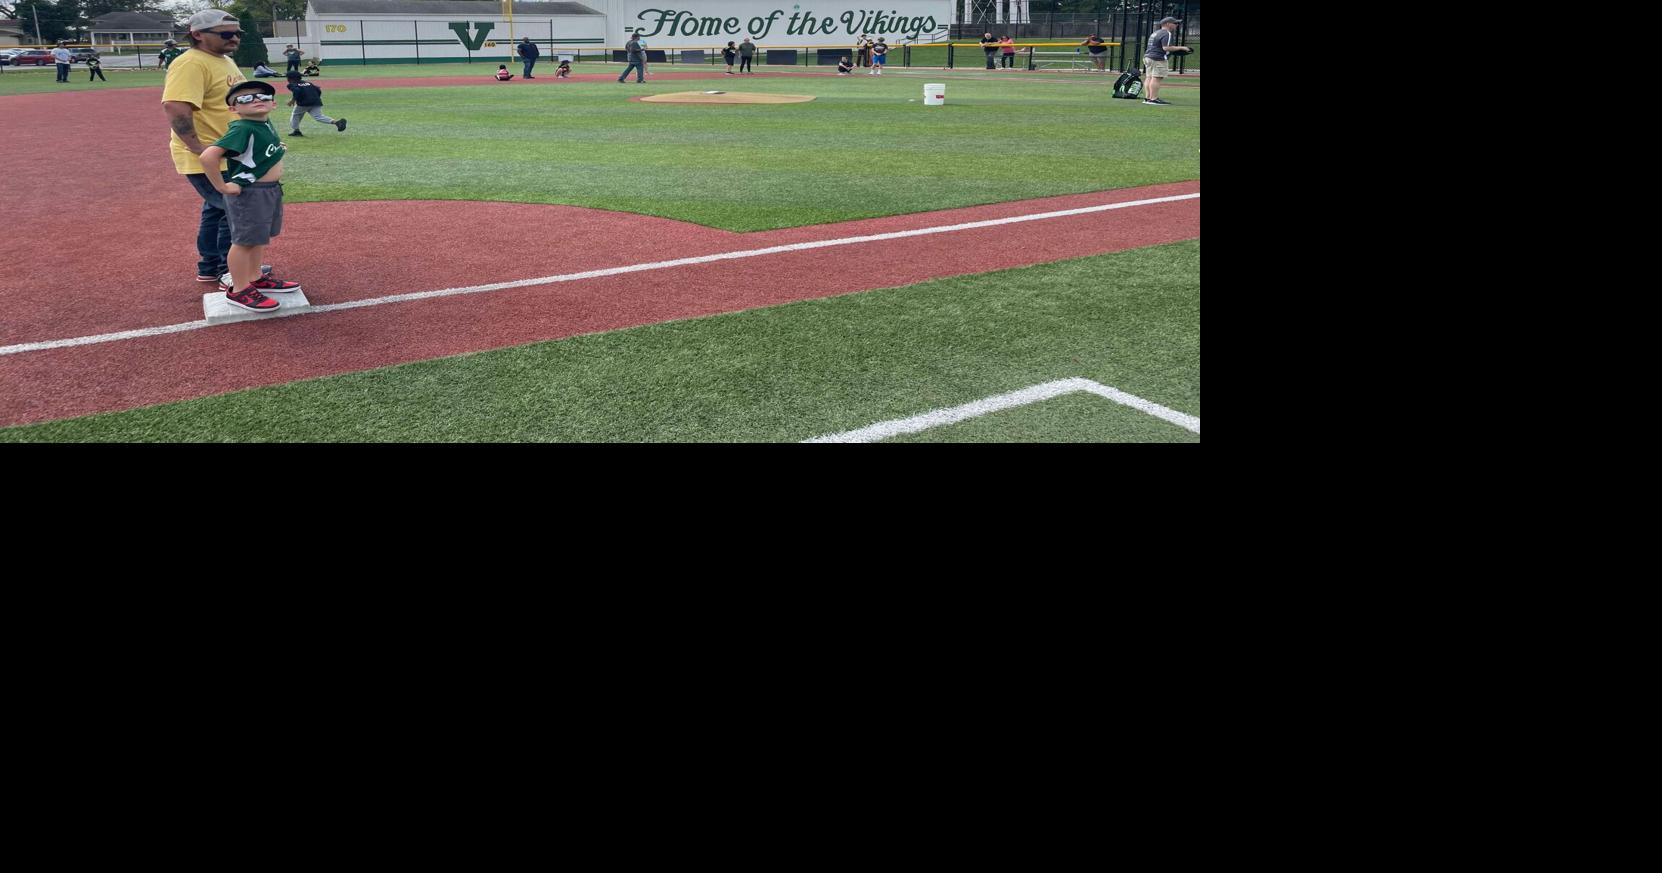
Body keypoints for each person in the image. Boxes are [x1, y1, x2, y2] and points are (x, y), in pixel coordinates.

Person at [161, 10, 268, 287]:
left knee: (216, 209)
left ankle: (210, 265)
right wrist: (201, 150)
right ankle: (228, 269)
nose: (234, 38)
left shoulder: (224, 60)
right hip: (209, 155)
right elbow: (176, 107)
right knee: (233, 210)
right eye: (225, 34)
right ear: (198, 35)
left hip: (228, 153)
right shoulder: (191, 63)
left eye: (237, 33)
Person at [197, 80, 302, 313]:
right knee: (244, 241)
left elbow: (255, 150)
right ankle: (239, 289)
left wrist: (276, 146)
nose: (256, 100)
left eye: (262, 97)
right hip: (250, 193)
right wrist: (222, 187)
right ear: (233, 109)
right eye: (244, 99)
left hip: (267, 191)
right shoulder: (242, 127)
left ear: (273, 104)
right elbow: (208, 157)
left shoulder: (263, 124)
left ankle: (255, 278)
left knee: (258, 237)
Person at [1142, 16, 1191, 105]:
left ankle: (1147, 98)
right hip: (1157, 58)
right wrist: (1182, 47)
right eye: (1175, 23)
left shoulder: (1156, 32)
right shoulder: (1166, 33)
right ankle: (1153, 99)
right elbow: (1166, 47)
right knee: (1156, 78)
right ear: (1168, 24)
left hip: (1148, 57)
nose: (1176, 25)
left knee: (1149, 77)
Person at [285, 71, 345, 136]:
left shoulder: (291, 84)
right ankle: (337, 122)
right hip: (316, 101)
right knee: (318, 116)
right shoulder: (308, 83)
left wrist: (293, 100)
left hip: (303, 103)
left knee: (295, 115)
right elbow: (318, 90)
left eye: (287, 77)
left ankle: (296, 131)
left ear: (290, 78)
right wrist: (315, 98)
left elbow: (297, 90)